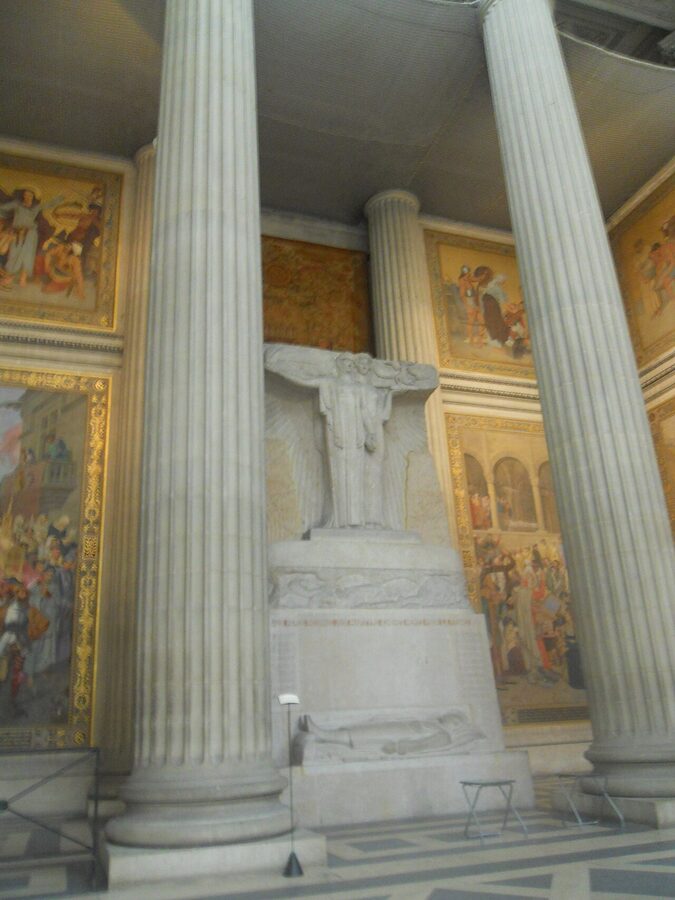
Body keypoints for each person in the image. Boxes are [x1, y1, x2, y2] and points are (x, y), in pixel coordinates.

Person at [0, 188, 63, 288]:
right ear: (23, 196)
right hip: (17, 232)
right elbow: (3, 208)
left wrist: (59, 198)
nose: (28, 197)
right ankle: (9, 277)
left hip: (30, 234)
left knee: (27, 256)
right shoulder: (17, 204)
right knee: (14, 254)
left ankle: (23, 278)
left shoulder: (35, 208)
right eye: (26, 195)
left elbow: (48, 205)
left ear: (33, 197)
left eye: (30, 196)